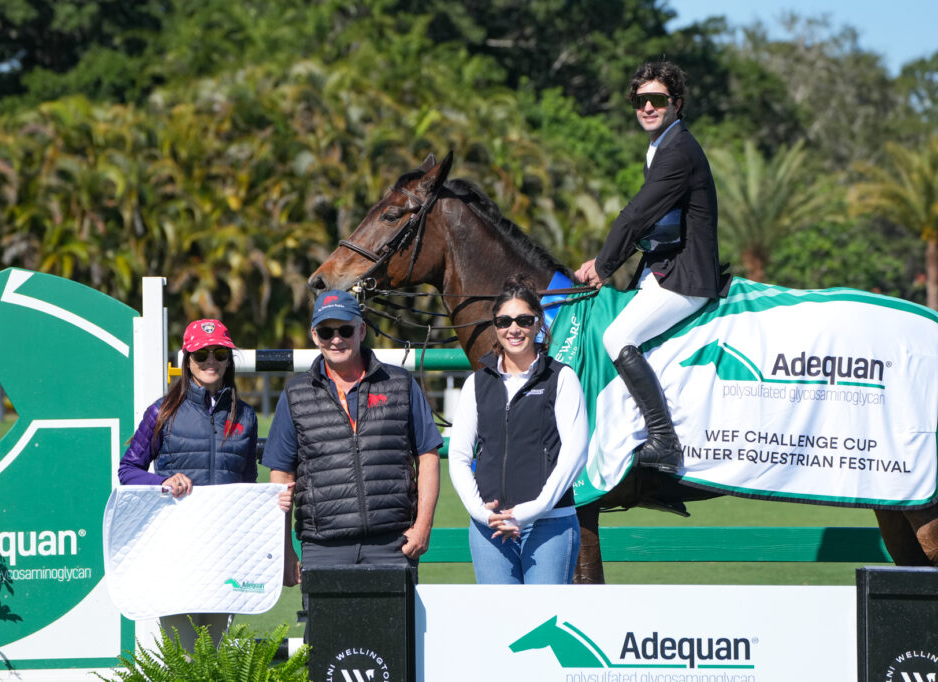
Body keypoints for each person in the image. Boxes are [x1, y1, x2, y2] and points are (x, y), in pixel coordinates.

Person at [574, 60, 730, 475]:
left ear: (676, 104)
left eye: (657, 99)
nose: (647, 107)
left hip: (686, 277)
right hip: (663, 267)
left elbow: (635, 217)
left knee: (618, 335)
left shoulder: (678, 151)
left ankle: (664, 441)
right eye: (640, 100)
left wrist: (604, 266)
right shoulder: (661, 145)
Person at [264, 289, 442, 590]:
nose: (336, 339)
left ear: (361, 330)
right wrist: (283, 548)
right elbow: (281, 476)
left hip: (392, 545)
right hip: (323, 549)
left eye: (345, 329)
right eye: (326, 331)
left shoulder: (400, 383)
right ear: (314, 335)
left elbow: (428, 456)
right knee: (326, 638)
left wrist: (423, 526)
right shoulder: (295, 394)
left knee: (396, 637)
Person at [118, 318, 258, 651]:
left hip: (226, 553)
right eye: (202, 355)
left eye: (220, 354)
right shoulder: (161, 411)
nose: (211, 362)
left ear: (229, 360)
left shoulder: (247, 416)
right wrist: (162, 481)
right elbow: (127, 469)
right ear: (187, 359)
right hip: (176, 551)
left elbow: (249, 483)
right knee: (183, 657)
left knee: (220, 657)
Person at [447, 276, 589, 584]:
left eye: (524, 320)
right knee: (500, 628)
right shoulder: (477, 382)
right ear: (495, 326)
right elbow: (458, 455)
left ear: (538, 324)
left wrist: (531, 511)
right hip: (489, 528)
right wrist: (481, 513)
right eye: (504, 321)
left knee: (545, 628)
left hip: (549, 524)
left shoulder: (562, 379)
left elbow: (575, 455)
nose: (514, 329)